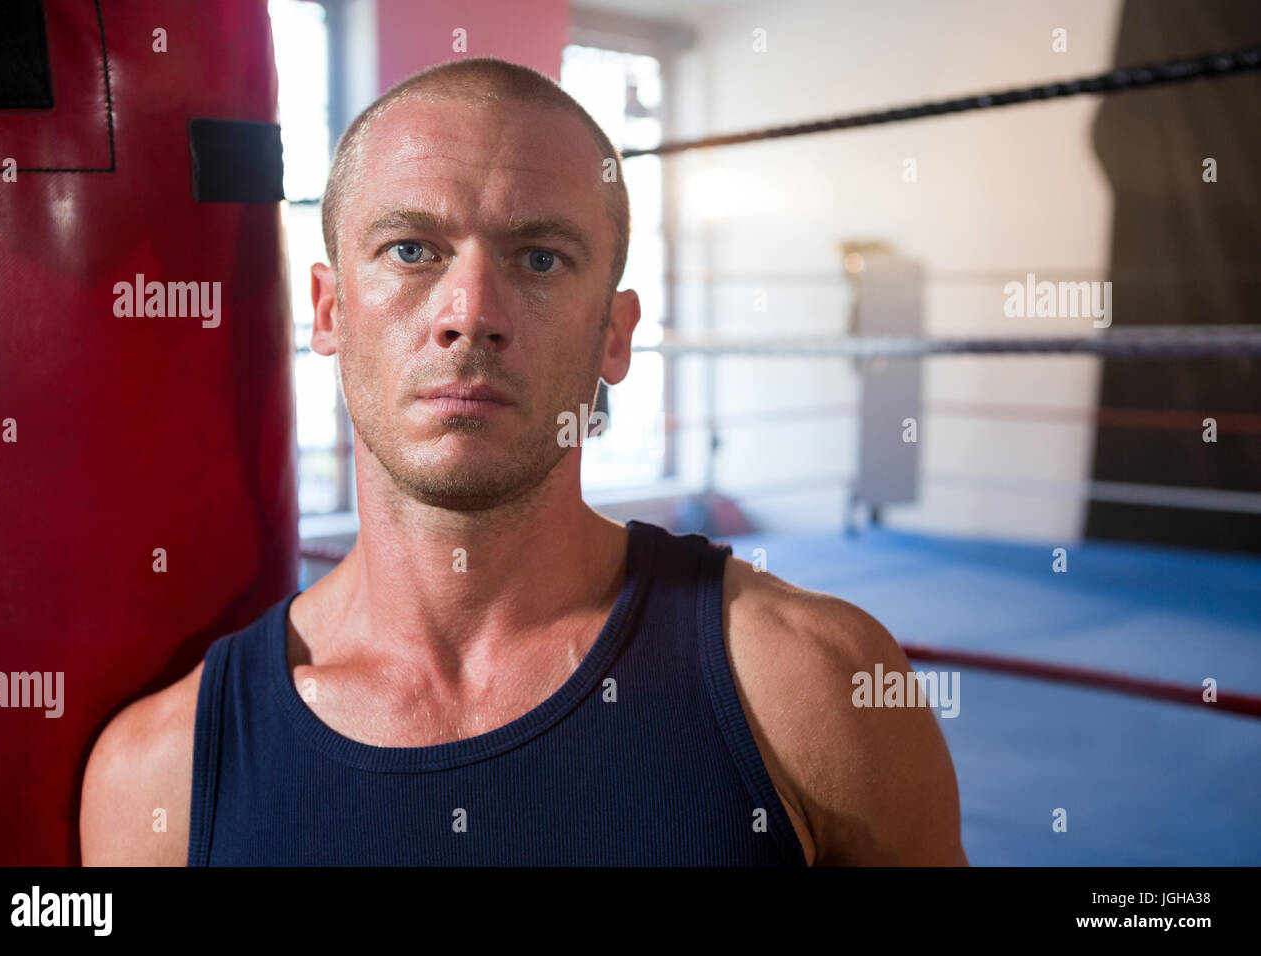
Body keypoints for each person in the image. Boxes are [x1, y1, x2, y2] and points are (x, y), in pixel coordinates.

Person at [80, 56, 967, 866]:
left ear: (613, 337)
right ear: (328, 311)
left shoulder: (811, 684)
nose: (471, 313)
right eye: (411, 250)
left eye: (539, 258)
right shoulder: (159, 777)